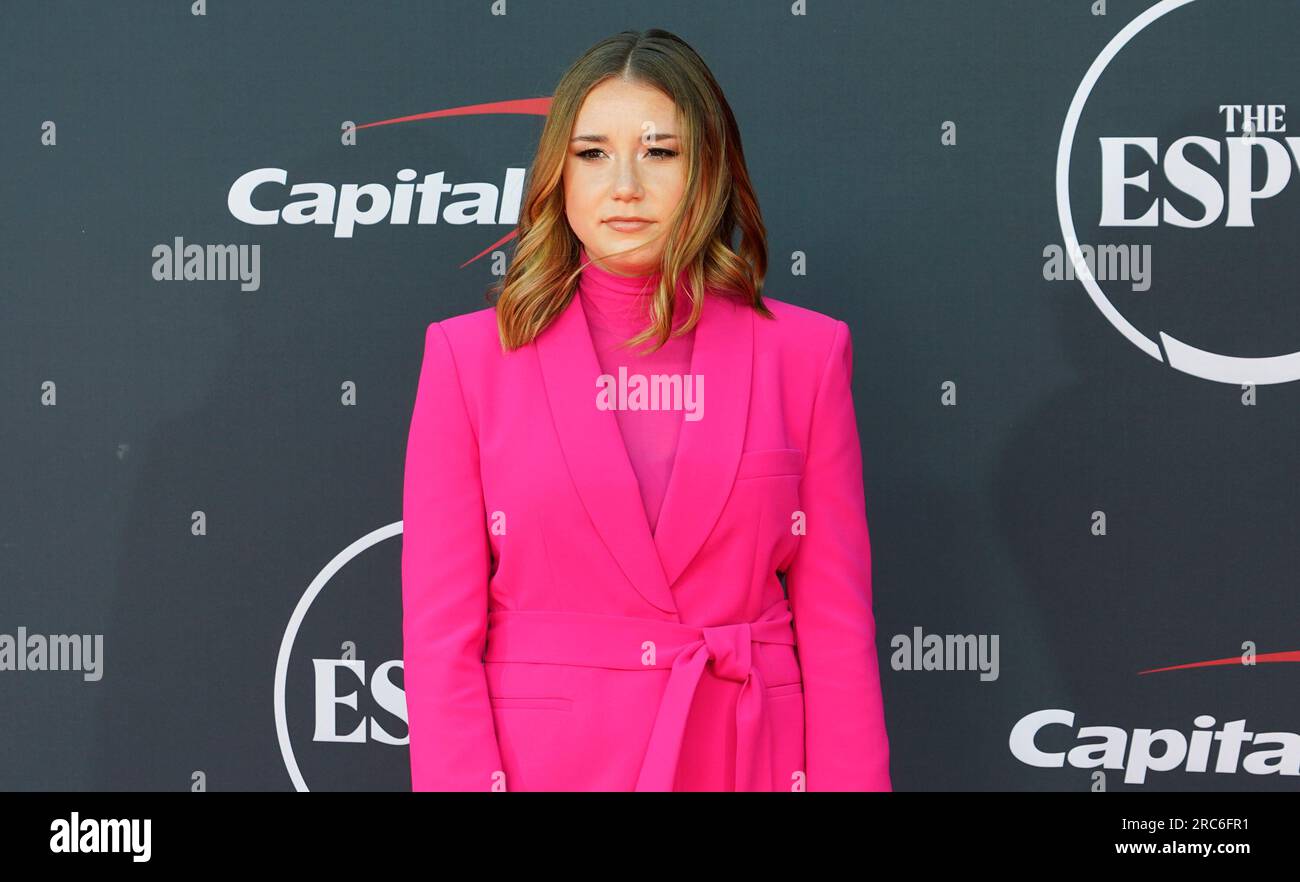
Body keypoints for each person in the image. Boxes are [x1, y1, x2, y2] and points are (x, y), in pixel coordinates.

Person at [401, 28, 890, 791]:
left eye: (660, 151)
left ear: (709, 172)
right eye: (592, 153)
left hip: (742, 756)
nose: (623, 183)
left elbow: (836, 629)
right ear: (556, 174)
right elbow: (439, 639)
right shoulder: (468, 361)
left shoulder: (808, 356)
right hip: (547, 766)